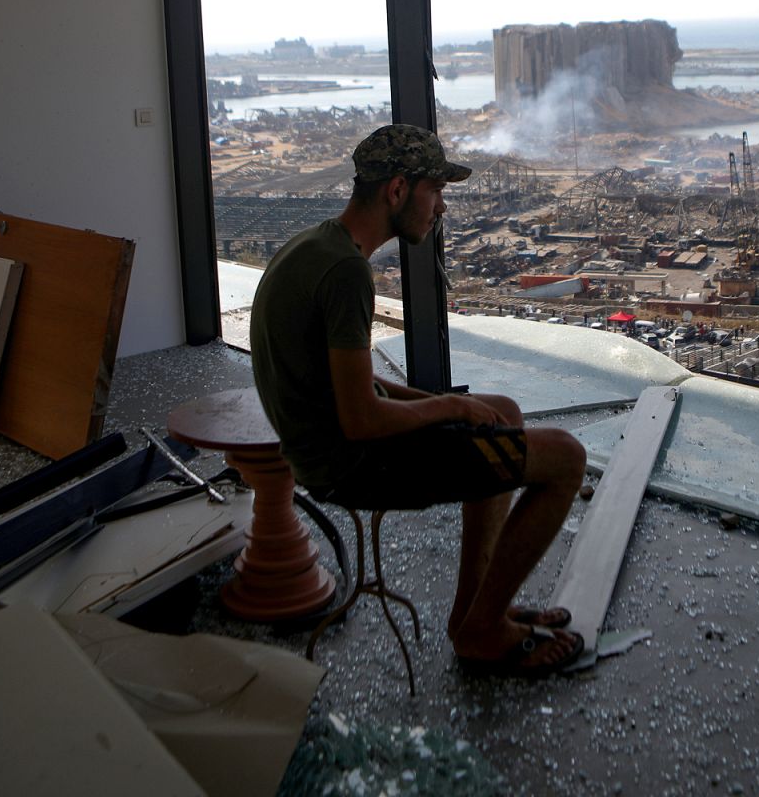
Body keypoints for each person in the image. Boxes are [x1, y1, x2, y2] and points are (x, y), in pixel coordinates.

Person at [250, 123, 588, 675]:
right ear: (399, 190)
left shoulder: (317, 246)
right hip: (352, 463)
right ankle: (482, 631)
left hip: (322, 441)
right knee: (567, 459)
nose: (442, 208)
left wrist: (451, 405)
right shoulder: (347, 274)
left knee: (501, 412)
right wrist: (451, 407)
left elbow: (354, 386)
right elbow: (361, 418)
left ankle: (476, 612)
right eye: (437, 192)